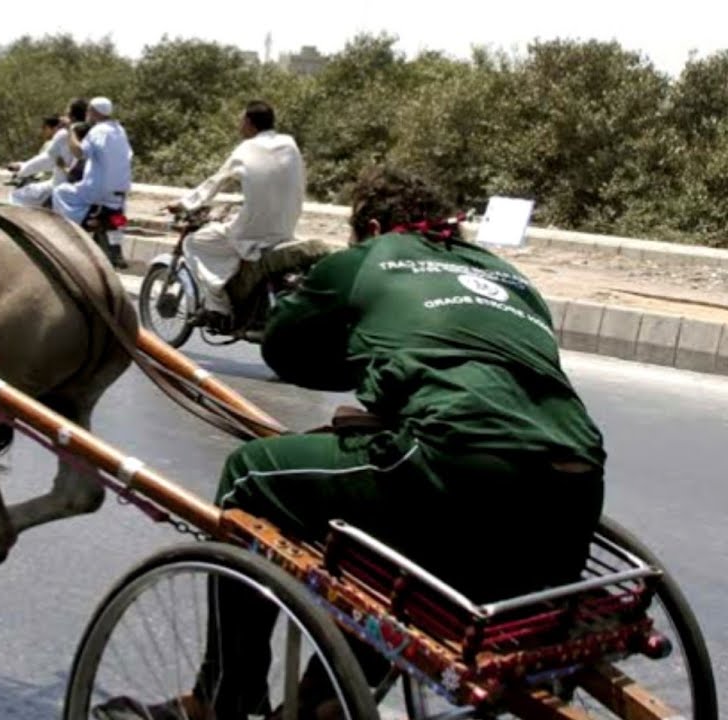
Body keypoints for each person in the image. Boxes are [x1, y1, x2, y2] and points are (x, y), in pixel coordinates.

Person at [94, 164, 607, 720]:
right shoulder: (509, 276)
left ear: (374, 224)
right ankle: (325, 700)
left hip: (453, 464)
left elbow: (285, 350)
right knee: (386, 543)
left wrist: (362, 355)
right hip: (574, 486)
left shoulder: (367, 259)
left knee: (251, 472)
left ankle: (223, 697)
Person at [167, 100, 305, 331]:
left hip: (253, 230)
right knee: (227, 238)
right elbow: (275, 180)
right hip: (285, 227)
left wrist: (182, 204)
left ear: (250, 123)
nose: (239, 125)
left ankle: (217, 307)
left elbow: (214, 182)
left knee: (195, 243)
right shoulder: (289, 144)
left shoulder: (245, 149)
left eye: (241, 120)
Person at [52, 96, 132, 268]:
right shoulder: (120, 130)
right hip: (121, 192)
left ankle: (73, 233)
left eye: (89, 111)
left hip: (97, 190)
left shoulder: (97, 131)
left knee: (61, 192)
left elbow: (80, 153)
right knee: (119, 217)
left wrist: (70, 130)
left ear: (94, 112)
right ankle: (115, 246)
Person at [6, 115, 72, 208]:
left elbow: (46, 161)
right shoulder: (77, 136)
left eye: (44, 128)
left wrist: (21, 169)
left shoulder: (58, 140)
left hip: (54, 183)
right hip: (59, 181)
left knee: (17, 197)